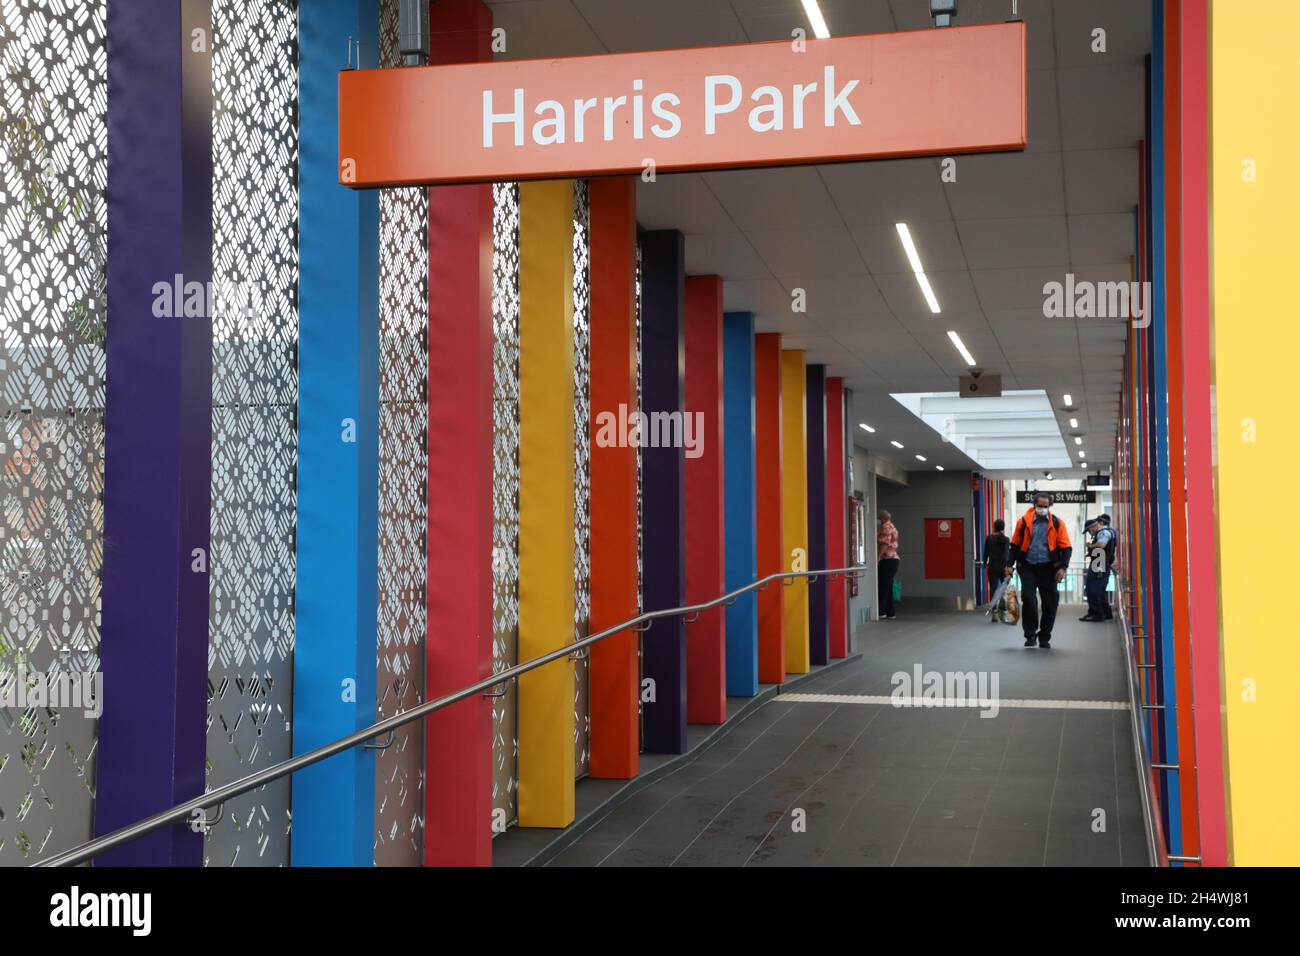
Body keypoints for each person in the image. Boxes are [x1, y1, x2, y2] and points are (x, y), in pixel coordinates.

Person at [1005, 493, 1072, 649]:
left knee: (1050, 603)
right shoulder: (1023, 522)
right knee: (1028, 599)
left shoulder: (1057, 523)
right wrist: (1009, 564)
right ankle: (1030, 635)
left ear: (1050, 506)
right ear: (1034, 505)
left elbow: (1067, 548)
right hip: (1027, 566)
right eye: (1040, 506)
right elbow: (1014, 546)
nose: (1042, 509)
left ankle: (1044, 637)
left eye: (1045, 506)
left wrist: (1062, 567)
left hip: (1049, 569)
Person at [1080, 513, 1117, 622]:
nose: (1089, 533)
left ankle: (1096, 614)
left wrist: (1091, 546)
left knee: (1092, 589)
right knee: (1100, 590)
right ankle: (1106, 613)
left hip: (1099, 563)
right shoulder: (1109, 531)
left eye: (1088, 530)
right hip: (1101, 562)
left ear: (1093, 526)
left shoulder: (1103, 533)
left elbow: (1101, 545)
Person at [982, 519, 1011, 620]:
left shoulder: (989, 538)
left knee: (993, 590)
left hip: (993, 566)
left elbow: (985, 553)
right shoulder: (1006, 539)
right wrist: (1008, 566)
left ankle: (994, 612)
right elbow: (1007, 554)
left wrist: (985, 563)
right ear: (1003, 528)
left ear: (994, 527)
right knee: (1005, 589)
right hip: (1003, 567)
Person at [877, 510, 900, 620]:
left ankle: (881, 611)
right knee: (888, 586)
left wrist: (877, 557)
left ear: (882, 518)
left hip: (887, 559)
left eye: (878, 517)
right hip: (893, 560)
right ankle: (890, 612)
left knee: (883, 586)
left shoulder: (885, 527)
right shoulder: (892, 526)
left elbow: (884, 543)